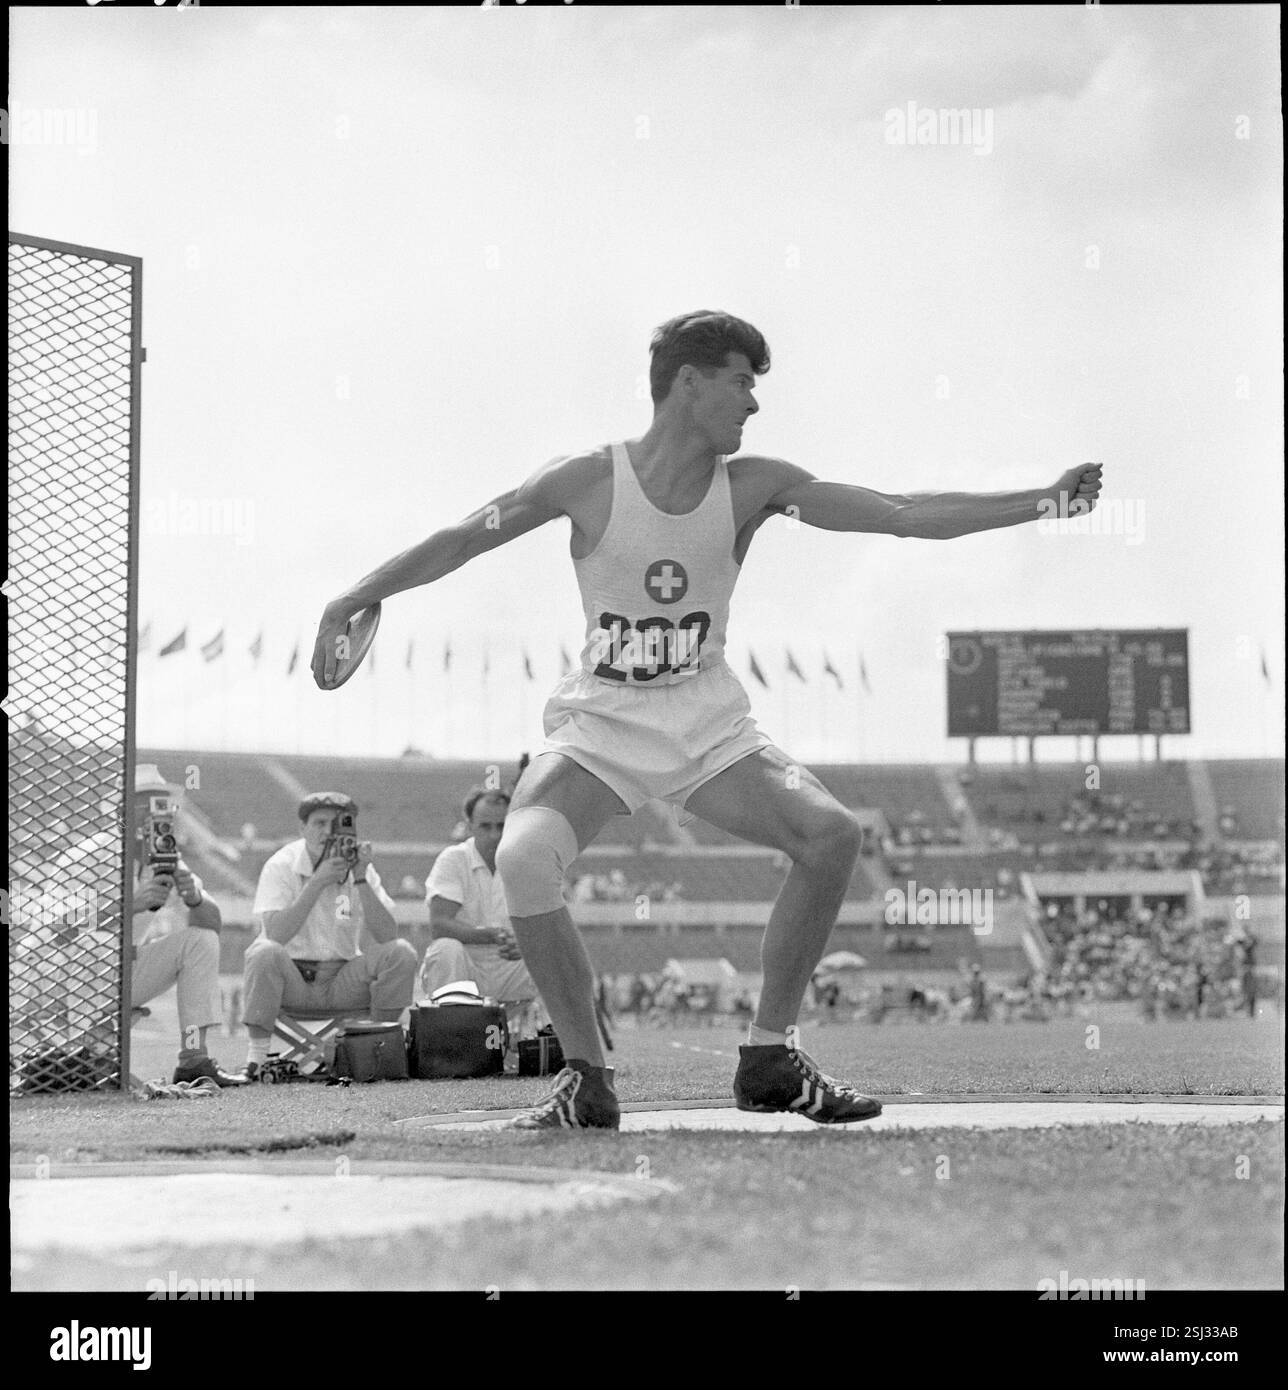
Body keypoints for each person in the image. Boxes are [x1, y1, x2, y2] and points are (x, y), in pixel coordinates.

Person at [312, 309, 1104, 1129]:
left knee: (832, 836)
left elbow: (899, 511)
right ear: (688, 383)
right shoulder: (585, 479)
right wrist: (355, 594)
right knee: (522, 857)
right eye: (741, 382)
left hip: (709, 725)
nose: (754, 404)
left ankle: (768, 1055)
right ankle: (588, 1077)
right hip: (601, 724)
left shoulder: (753, 486)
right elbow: (461, 540)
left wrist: (1040, 503)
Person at [37, 764, 243, 1086]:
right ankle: (89, 1058)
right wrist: (130, 905)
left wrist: (194, 898)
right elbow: (57, 928)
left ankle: (193, 1059)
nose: (156, 813)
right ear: (122, 810)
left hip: (123, 972)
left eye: (162, 804)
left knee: (200, 940)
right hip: (63, 978)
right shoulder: (87, 856)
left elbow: (212, 923)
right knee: (98, 943)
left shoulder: (164, 854)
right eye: (145, 803)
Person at [241, 792, 417, 1077]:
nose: (327, 832)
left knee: (401, 953)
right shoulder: (282, 864)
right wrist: (317, 881)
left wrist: (360, 877)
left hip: (341, 979)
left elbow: (387, 935)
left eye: (336, 825)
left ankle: (375, 1046)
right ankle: (257, 1058)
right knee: (263, 951)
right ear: (302, 828)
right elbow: (275, 934)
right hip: (291, 979)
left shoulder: (358, 865)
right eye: (319, 823)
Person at [418, 788, 545, 1028]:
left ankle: (555, 1047)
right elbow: (439, 925)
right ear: (470, 826)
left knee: (550, 952)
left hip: (512, 964)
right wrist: (489, 935)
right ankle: (448, 1039)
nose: (495, 835)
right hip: (466, 965)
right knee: (445, 949)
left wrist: (525, 943)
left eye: (501, 826)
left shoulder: (529, 861)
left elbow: (547, 925)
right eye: (486, 826)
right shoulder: (453, 859)